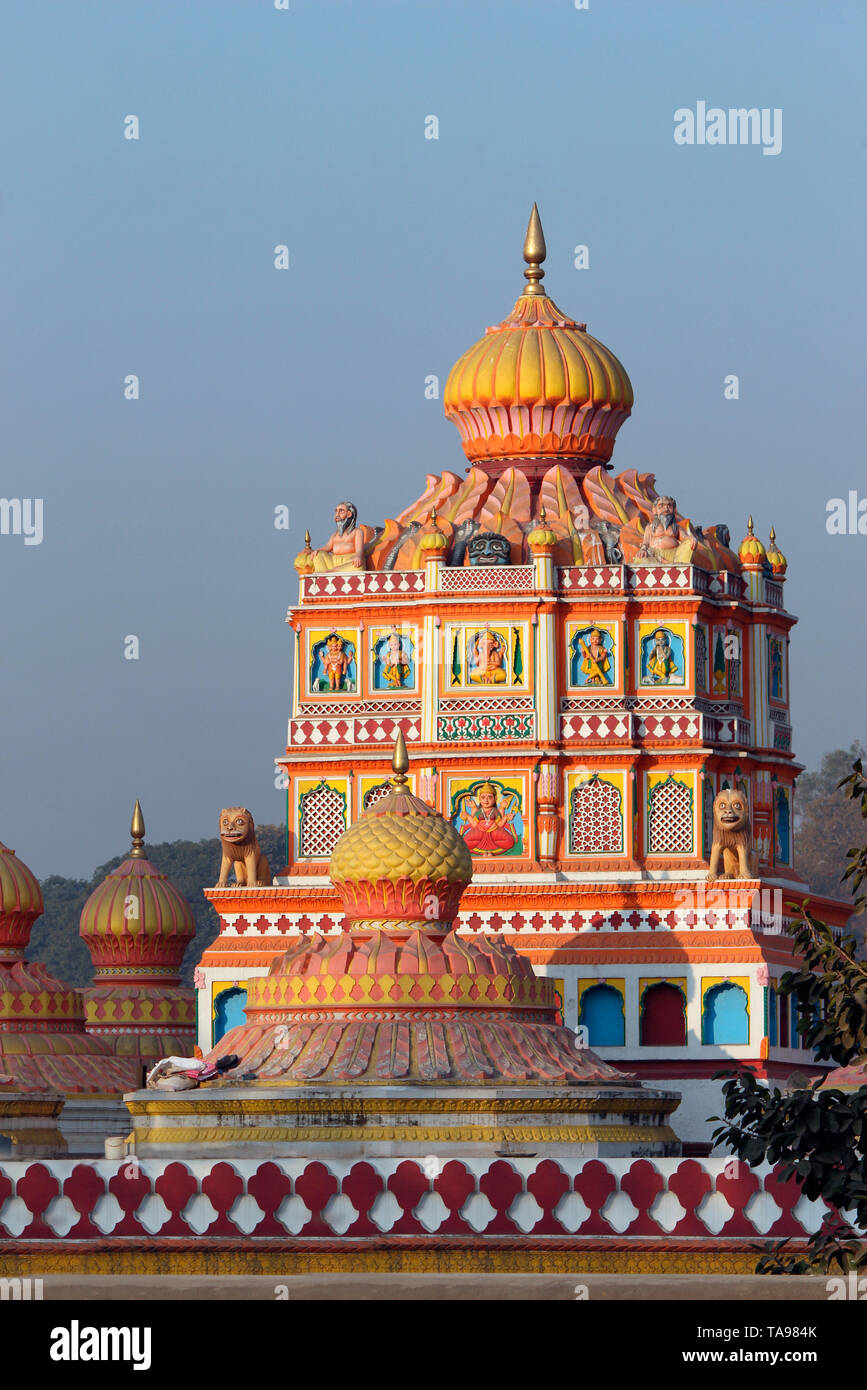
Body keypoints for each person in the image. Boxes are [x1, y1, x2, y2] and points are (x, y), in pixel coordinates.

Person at [460, 784, 517, 855]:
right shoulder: (478, 811)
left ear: (495, 798)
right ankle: (485, 849)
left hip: (494, 831)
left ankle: (491, 849)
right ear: (479, 799)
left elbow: (500, 824)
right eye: (483, 797)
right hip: (479, 831)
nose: (486, 800)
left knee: (509, 841)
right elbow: (474, 824)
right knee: (464, 842)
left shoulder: (495, 810)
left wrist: (505, 816)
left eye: (489, 797)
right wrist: (468, 815)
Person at [312, 501, 366, 572]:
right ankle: (324, 575)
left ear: (349, 514)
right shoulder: (335, 535)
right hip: (334, 562)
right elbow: (328, 547)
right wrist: (318, 550)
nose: (337, 514)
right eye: (336, 511)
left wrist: (358, 556)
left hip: (350, 561)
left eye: (341, 511)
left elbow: (359, 550)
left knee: (357, 566)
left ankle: (332, 572)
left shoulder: (357, 532)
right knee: (318, 555)